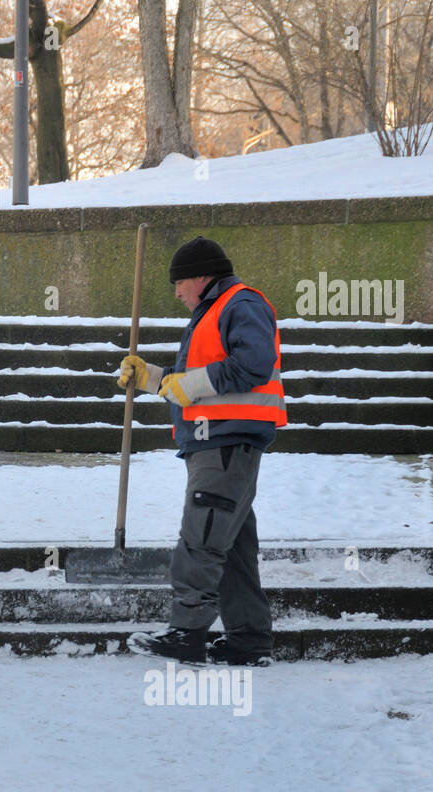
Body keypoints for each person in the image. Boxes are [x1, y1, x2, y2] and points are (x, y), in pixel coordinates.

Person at [117, 237, 286, 666]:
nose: (176, 292)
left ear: (202, 277)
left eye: (179, 282)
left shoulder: (239, 304)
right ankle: (249, 642)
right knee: (230, 548)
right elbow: (194, 379)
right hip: (217, 442)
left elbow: (252, 365)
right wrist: (151, 378)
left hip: (228, 441)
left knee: (202, 539)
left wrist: (186, 385)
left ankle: (186, 634)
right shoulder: (212, 313)